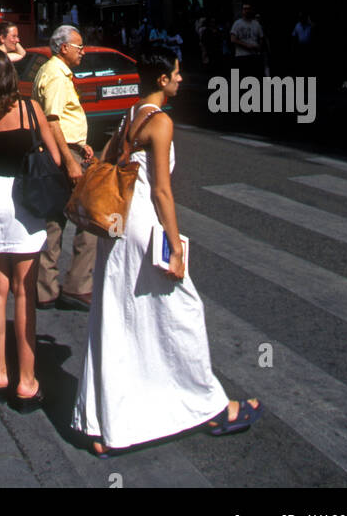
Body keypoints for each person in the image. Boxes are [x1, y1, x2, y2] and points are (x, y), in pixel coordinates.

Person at [72, 47, 263, 451]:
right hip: (142, 225)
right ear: (161, 80)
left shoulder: (129, 115)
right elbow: (161, 191)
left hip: (116, 228)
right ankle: (208, 405)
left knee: (116, 318)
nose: (180, 79)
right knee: (184, 311)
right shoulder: (160, 122)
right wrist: (175, 245)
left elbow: (105, 161)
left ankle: (103, 425)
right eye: (176, 73)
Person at [0, 48, 61, 408]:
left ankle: (0, 373)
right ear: (9, 77)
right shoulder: (28, 109)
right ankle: (26, 380)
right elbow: (52, 157)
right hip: (23, 197)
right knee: (25, 290)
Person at [33, 26, 96, 310]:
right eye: (79, 46)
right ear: (63, 48)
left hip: (65, 150)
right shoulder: (57, 76)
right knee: (90, 218)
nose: (83, 51)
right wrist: (71, 161)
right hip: (63, 153)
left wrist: (81, 146)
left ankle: (44, 288)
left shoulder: (52, 71)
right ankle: (77, 285)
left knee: (54, 219)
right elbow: (52, 121)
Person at [230, 3, 265, 82]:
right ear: (242, 11)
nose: (247, 11)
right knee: (244, 79)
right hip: (242, 56)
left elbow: (261, 37)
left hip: (254, 55)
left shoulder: (256, 24)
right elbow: (233, 39)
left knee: (255, 79)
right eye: (245, 9)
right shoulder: (237, 24)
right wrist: (247, 45)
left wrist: (259, 46)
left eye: (248, 9)